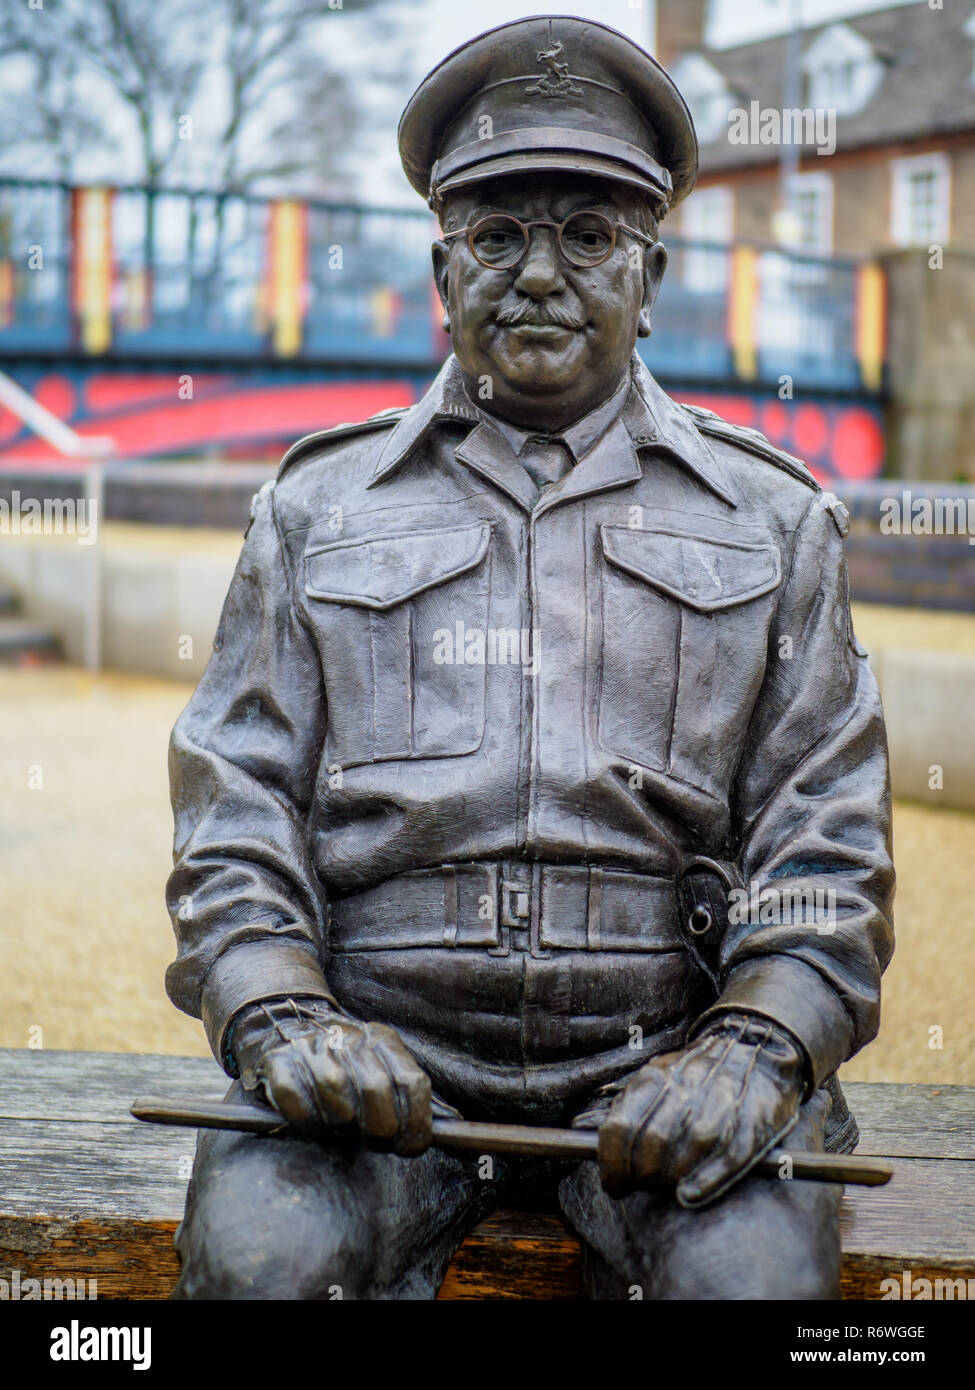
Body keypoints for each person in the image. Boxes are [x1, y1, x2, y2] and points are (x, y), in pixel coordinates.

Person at [165, 15, 894, 1299]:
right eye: (498, 236)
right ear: (443, 274)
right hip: (371, 1074)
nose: (540, 274)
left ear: (649, 277)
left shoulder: (772, 521)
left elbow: (825, 835)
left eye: (590, 236)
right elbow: (237, 806)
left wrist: (759, 1041)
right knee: (263, 1266)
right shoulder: (314, 507)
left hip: (666, 1068)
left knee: (752, 1288)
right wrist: (279, 1009)